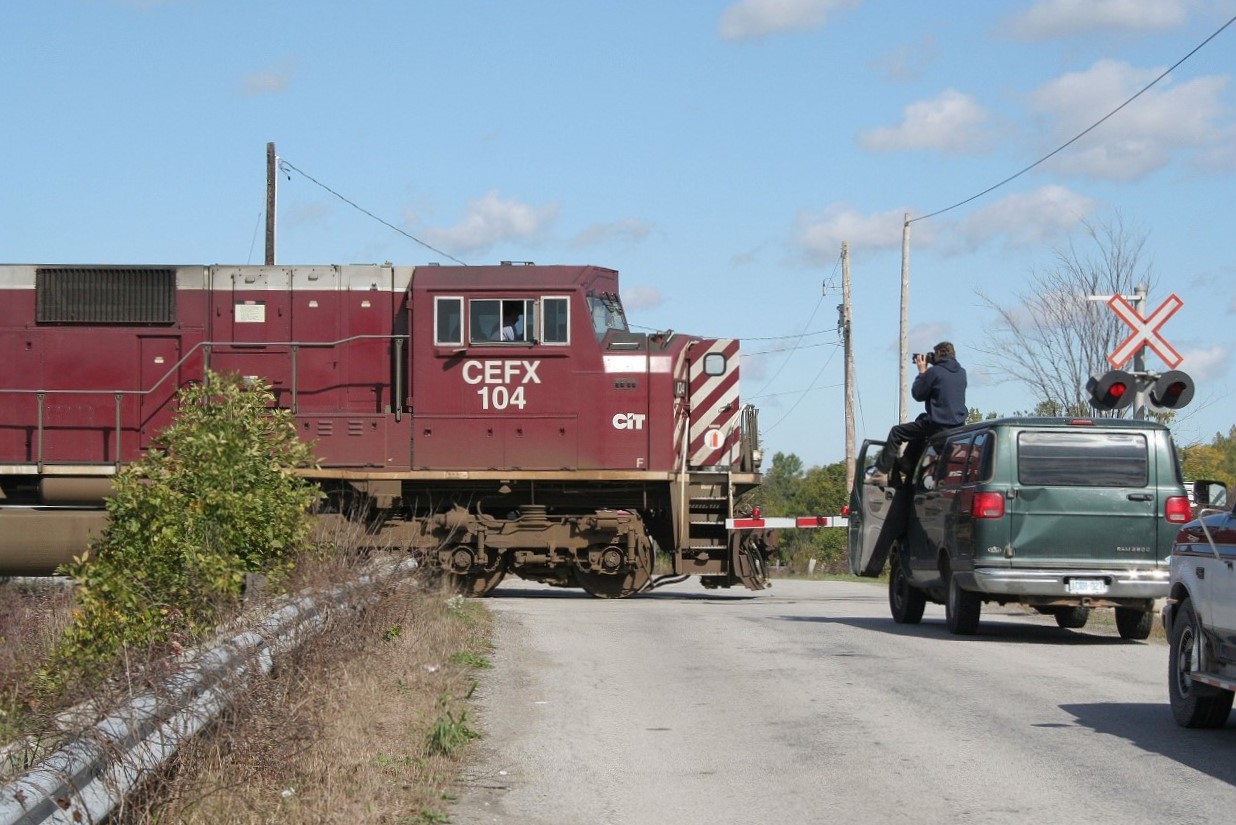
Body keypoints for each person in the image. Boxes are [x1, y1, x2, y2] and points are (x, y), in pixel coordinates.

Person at [868, 341, 967, 486]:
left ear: (939, 354)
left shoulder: (934, 372)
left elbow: (918, 394)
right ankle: (907, 462)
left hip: (938, 425)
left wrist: (922, 372)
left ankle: (881, 472)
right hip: (957, 425)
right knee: (921, 419)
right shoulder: (961, 372)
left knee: (896, 432)